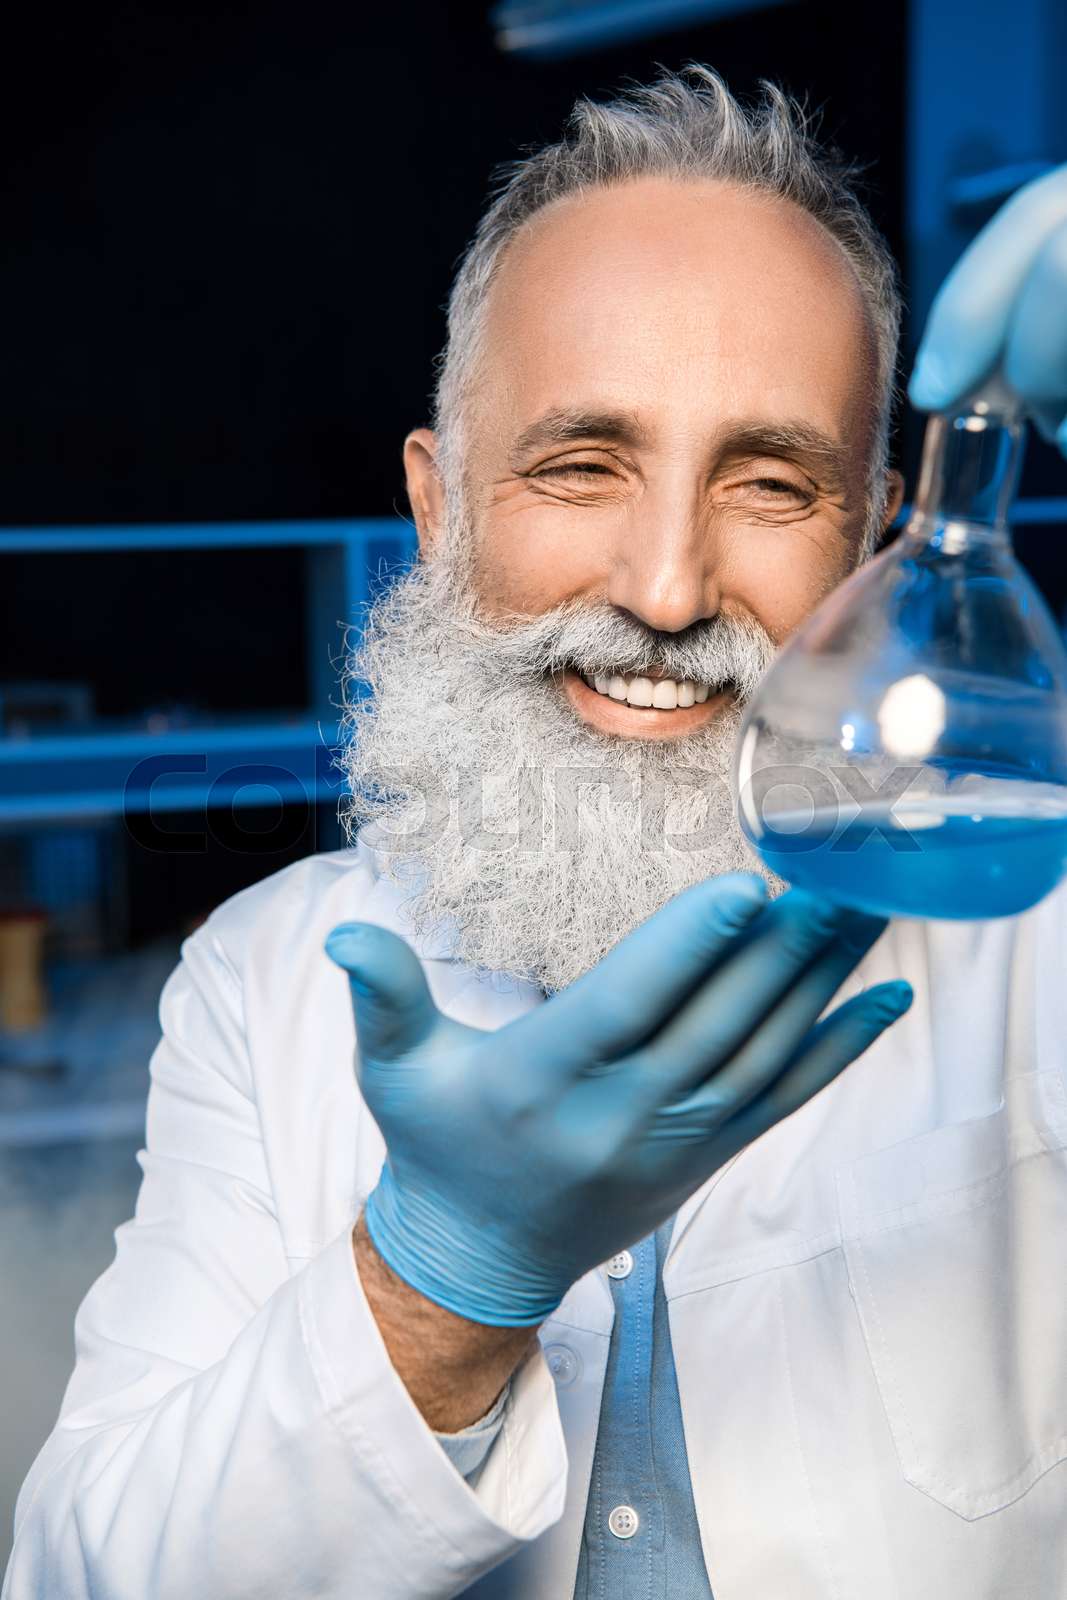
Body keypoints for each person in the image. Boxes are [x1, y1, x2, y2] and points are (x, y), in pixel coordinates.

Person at [5, 66, 1067, 1600]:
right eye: (581, 466)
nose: (662, 589)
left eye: (772, 485)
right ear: (438, 512)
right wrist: (441, 1280)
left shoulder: (1027, 931)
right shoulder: (270, 980)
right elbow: (86, 1577)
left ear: (877, 538)